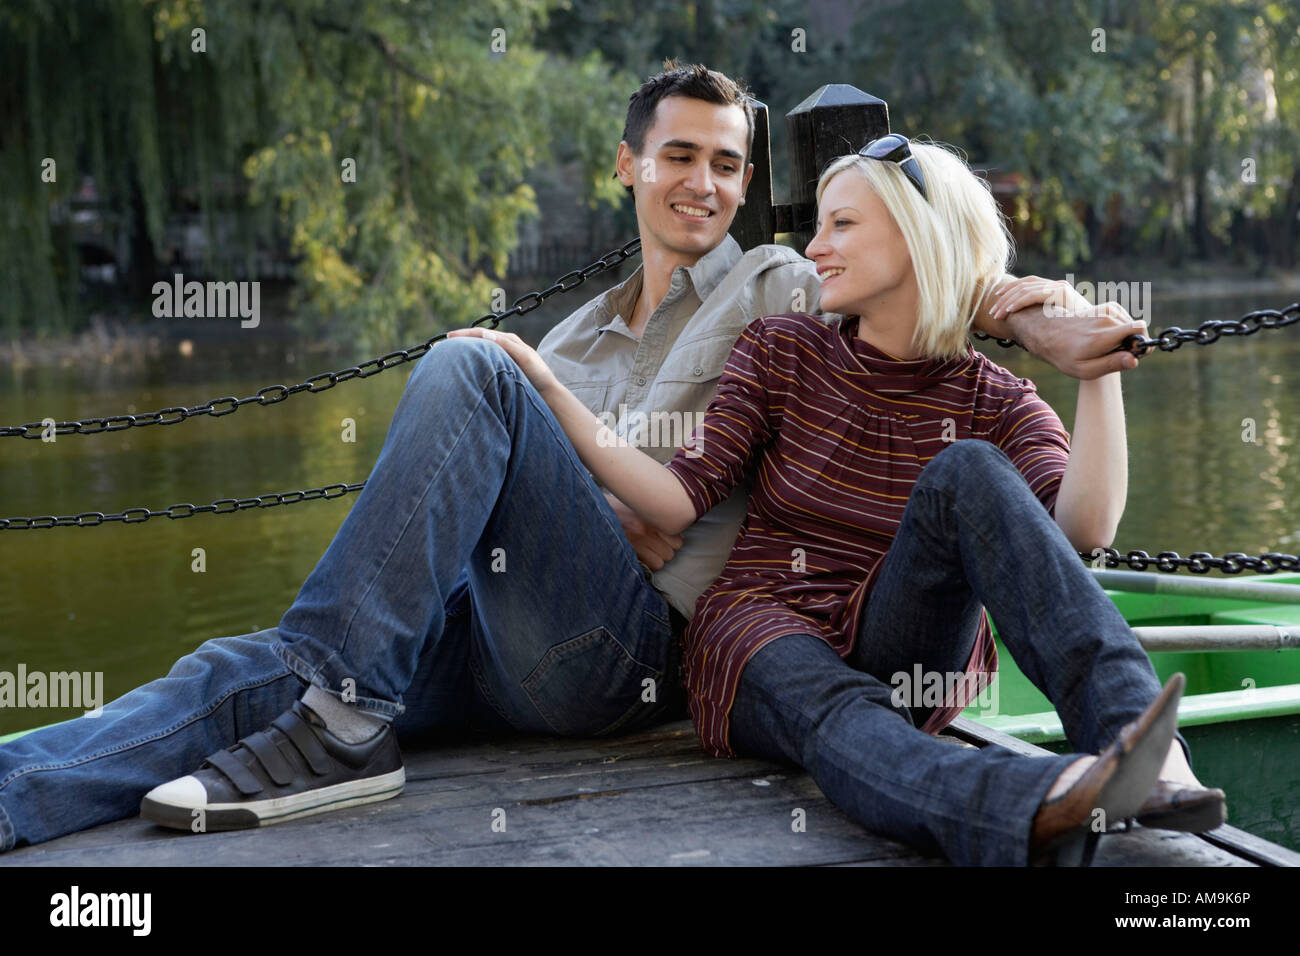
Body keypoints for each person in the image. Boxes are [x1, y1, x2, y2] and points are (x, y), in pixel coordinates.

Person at [0, 62, 1149, 855]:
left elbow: (928, 269)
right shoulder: (572, 338)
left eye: (730, 164)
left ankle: (340, 717)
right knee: (239, 671)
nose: (705, 183)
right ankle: (46, 789)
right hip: (506, 620)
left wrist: (1046, 323)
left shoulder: (781, 284)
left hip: (624, 642)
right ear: (626, 166)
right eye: (679, 155)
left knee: (470, 365)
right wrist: (564, 477)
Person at [448, 133, 1227, 866]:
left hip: (906, 646)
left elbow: (1082, 530)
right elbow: (678, 501)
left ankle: (1150, 751)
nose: (815, 247)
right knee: (835, 711)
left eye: (842, 224)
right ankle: (1043, 800)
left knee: (969, 469)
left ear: (920, 235)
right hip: (763, 628)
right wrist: (546, 385)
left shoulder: (997, 402)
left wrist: (1096, 373)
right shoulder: (783, 349)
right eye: (818, 225)